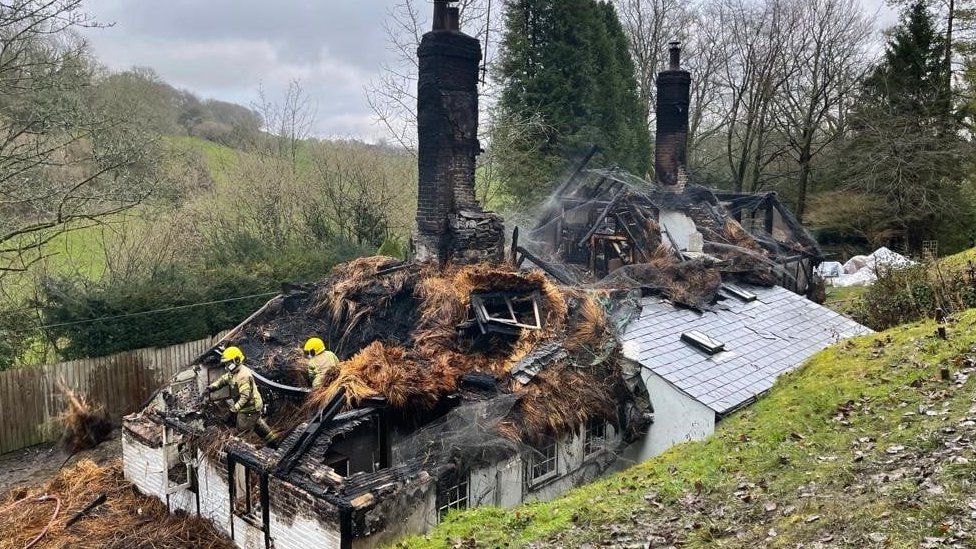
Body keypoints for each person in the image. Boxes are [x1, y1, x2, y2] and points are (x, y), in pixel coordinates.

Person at [206, 346, 277, 447]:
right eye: (226, 364)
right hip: (253, 406)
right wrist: (212, 387)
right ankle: (273, 443)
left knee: (242, 429)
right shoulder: (234, 372)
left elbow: (245, 397)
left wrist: (233, 410)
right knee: (257, 423)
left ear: (237, 360)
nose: (226, 366)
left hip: (249, 407)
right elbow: (224, 379)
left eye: (228, 363)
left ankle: (242, 448)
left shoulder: (243, 376)